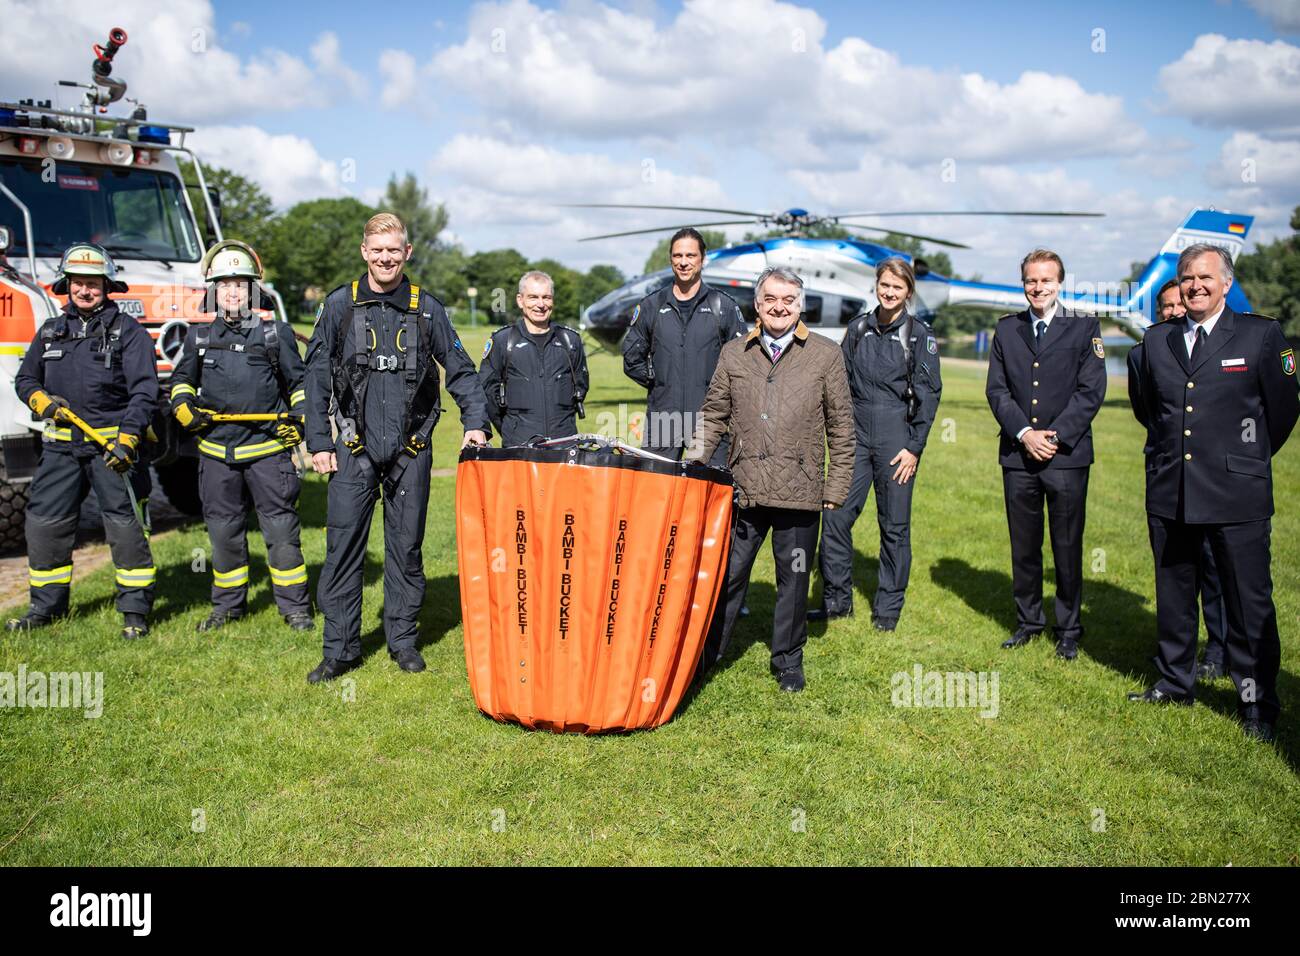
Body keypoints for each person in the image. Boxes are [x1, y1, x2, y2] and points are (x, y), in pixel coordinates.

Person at [304, 213, 490, 684]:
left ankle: (402, 641)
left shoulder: (428, 309)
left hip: (411, 450)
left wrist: (475, 423)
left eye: (394, 251)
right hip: (351, 448)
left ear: (406, 253)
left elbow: (461, 370)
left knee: (405, 550)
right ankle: (340, 649)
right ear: (365, 252)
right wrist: (319, 441)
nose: (386, 258)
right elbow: (316, 375)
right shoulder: (340, 306)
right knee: (343, 549)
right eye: (377, 250)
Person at [1128, 243, 1298, 741]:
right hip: (1170, 491)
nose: (1195, 286)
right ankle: (1175, 683)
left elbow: (1284, 410)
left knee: (1248, 605)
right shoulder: (1156, 342)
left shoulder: (1260, 335)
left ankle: (1256, 704)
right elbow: (1150, 410)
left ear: (1226, 283)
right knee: (1174, 595)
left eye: (1205, 278)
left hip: (1236, 496)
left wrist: (1245, 460)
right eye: (1187, 279)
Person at [686, 266, 854, 692]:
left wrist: (835, 488)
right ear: (757, 305)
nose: (780, 307)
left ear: (800, 306)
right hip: (744, 490)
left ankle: (788, 661)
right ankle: (709, 654)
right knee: (728, 575)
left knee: (795, 580)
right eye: (771, 300)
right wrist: (692, 466)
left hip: (800, 493)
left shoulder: (826, 355)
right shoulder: (734, 353)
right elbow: (712, 417)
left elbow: (842, 428)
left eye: (789, 300)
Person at [7, 243, 158, 640]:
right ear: (66, 285)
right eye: (78, 283)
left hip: (112, 450)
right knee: (45, 524)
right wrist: (39, 400)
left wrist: (128, 438)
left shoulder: (130, 333)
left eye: (93, 283)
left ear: (107, 286)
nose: (85, 291)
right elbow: (26, 380)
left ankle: (135, 611)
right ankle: (46, 607)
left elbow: (145, 392)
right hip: (60, 449)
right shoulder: (51, 331)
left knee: (125, 527)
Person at [169, 240, 314, 633]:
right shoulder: (198, 338)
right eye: (226, 284)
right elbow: (182, 380)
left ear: (254, 291)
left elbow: (299, 383)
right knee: (224, 534)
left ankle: (295, 608)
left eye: (241, 284)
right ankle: (228, 607)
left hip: (268, 451)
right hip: (216, 453)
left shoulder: (274, 334)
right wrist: (183, 406)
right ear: (214, 291)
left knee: (281, 532)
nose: (233, 291)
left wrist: (299, 419)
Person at [986, 248, 1106, 660]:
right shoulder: (1007, 330)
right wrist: (1024, 433)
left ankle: (1069, 628)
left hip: (1066, 457)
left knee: (1067, 546)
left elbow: (1091, 392)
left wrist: (1052, 437)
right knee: (1024, 545)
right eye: (1030, 281)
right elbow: (997, 391)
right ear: (1023, 284)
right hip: (1018, 456)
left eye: (1045, 280)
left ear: (1060, 283)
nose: (1038, 288)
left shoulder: (1084, 327)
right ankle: (1028, 622)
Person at [809, 257, 942, 630]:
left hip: (896, 439)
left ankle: (887, 610)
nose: (889, 292)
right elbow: (839, 384)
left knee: (894, 526)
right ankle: (836, 601)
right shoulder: (858, 329)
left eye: (897, 287)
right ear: (876, 285)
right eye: (884, 285)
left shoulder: (919, 336)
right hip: (855, 436)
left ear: (908, 292)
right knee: (835, 516)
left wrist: (914, 446)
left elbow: (929, 394)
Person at [1127, 278, 1227, 680]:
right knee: (1172, 570)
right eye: (1163, 307)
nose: (1170, 312)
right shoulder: (1142, 354)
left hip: (1214, 480)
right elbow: (1146, 410)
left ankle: (1220, 649)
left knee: (1214, 567)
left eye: (1175, 306)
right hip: (1167, 475)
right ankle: (1176, 657)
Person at [622, 227, 748, 464]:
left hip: (708, 420)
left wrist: (718, 393)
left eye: (690, 256)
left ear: (702, 259)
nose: (683, 262)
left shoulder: (723, 307)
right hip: (663, 419)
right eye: (678, 256)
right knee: (657, 491)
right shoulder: (651, 305)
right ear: (671, 259)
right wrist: (661, 381)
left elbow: (743, 364)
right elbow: (631, 358)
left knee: (707, 493)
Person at [479, 271, 589, 446]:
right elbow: (487, 393)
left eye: (546, 297)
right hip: (519, 447)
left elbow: (581, 387)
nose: (540, 304)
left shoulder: (570, 341)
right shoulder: (503, 341)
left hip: (564, 445)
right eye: (533, 297)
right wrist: (511, 429)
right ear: (520, 300)